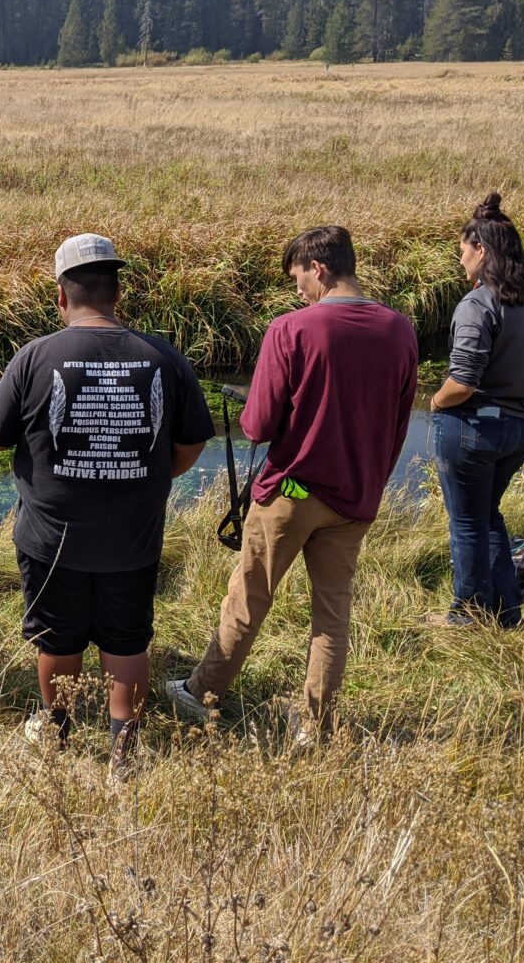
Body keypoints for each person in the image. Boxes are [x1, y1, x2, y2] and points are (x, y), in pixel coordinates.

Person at [164, 227, 418, 741]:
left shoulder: (291, 329)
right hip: (355, 498)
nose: (297, 289)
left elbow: (258, 425)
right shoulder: (400, 331)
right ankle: (315, 723)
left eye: (297, 277)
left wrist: (255, 403)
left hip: (291, 493)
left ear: (318, 268)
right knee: (332, 613)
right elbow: (398, 421)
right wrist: (372, 485)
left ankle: (201, 693)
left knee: (249, 596)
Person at [0, 233, 214, 773]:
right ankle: (122, 756)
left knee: (57, 639)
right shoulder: (164, 358)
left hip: (50, 538)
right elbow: (192, 441)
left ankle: (57, 734)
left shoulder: (35, 356)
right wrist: (151, 475)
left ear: (62, 296)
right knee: (127, 642)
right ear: (116, 293)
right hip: (133, 536)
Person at [426, 194, 524, 628]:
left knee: (467, 522)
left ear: (481, 249)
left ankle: (466, 614)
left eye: (462, 250)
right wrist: (520, 390)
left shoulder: (478, 304)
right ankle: (505, 613)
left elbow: (462, 382)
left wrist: (434, 401)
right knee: (488, 515)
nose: (460, 260)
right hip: (523, 427)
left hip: (473, 428)